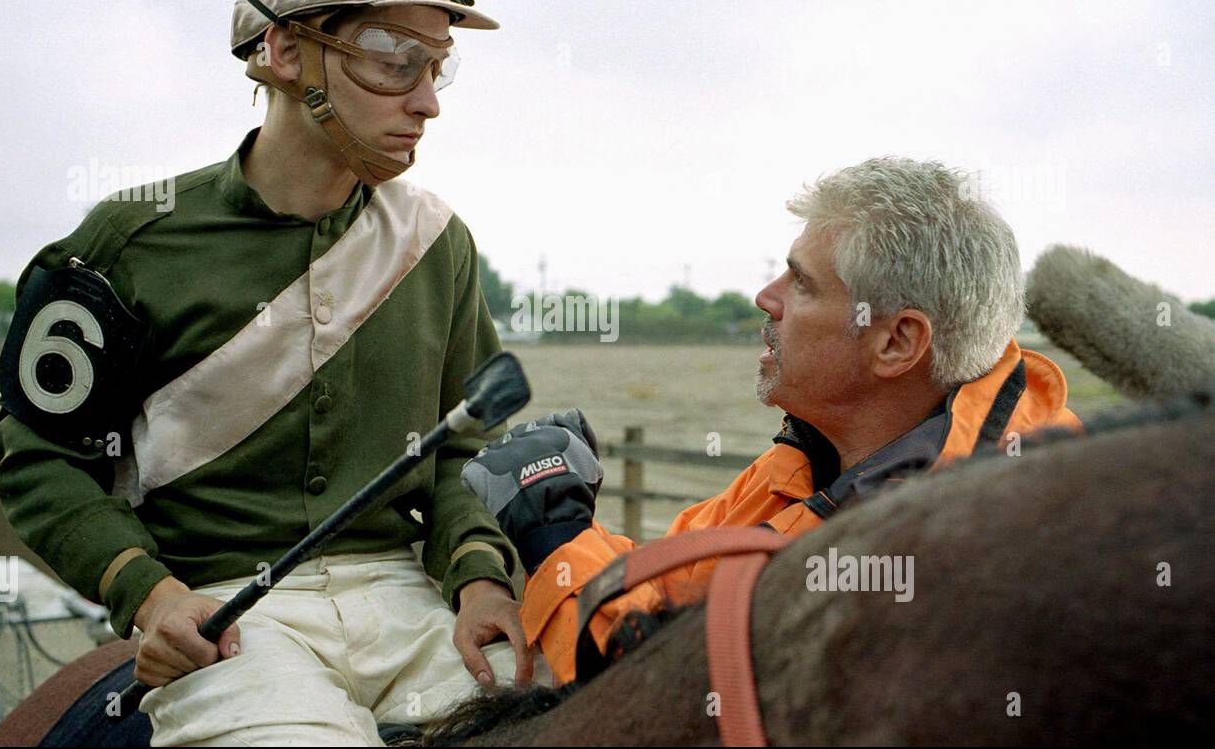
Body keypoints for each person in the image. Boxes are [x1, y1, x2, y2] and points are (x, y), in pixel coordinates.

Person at [0, 0, 532, 746]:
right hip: (223, 613)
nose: (428, 100)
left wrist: (479, 577)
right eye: (395, 59)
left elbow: (466, 444)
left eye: (439, 66)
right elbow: (41, 456)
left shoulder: (439, 245)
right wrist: (151, 593)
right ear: (284, 51)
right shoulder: (124, 241)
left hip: (410, 605)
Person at [462, 157, 1083, 684]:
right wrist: (583, 540)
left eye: (803, 284)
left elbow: (679, 703)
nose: (767, 297)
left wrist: (555, 538)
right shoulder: (818, 458)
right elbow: (674, 592)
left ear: (896, 342)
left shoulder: (943, 542)